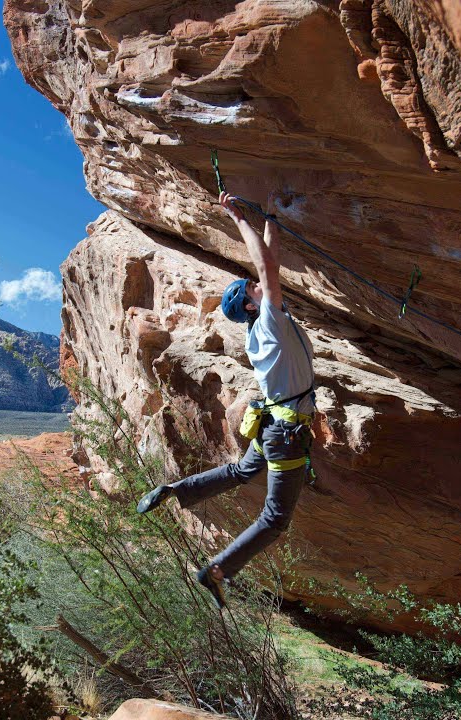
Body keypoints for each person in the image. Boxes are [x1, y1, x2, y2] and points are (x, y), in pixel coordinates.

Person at [135, 189, 315, 609]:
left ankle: (173, 490)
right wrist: (237, 217)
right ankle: (216, 570)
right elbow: (268, 267)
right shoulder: (268, 323)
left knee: (240, 471)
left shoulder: (262, 327)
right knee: (275, 519)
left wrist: (272, 219)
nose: (259, 285)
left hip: (274, 426)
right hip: (285, 434)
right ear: (250, 305)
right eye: (252, 288)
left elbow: (270, 266)